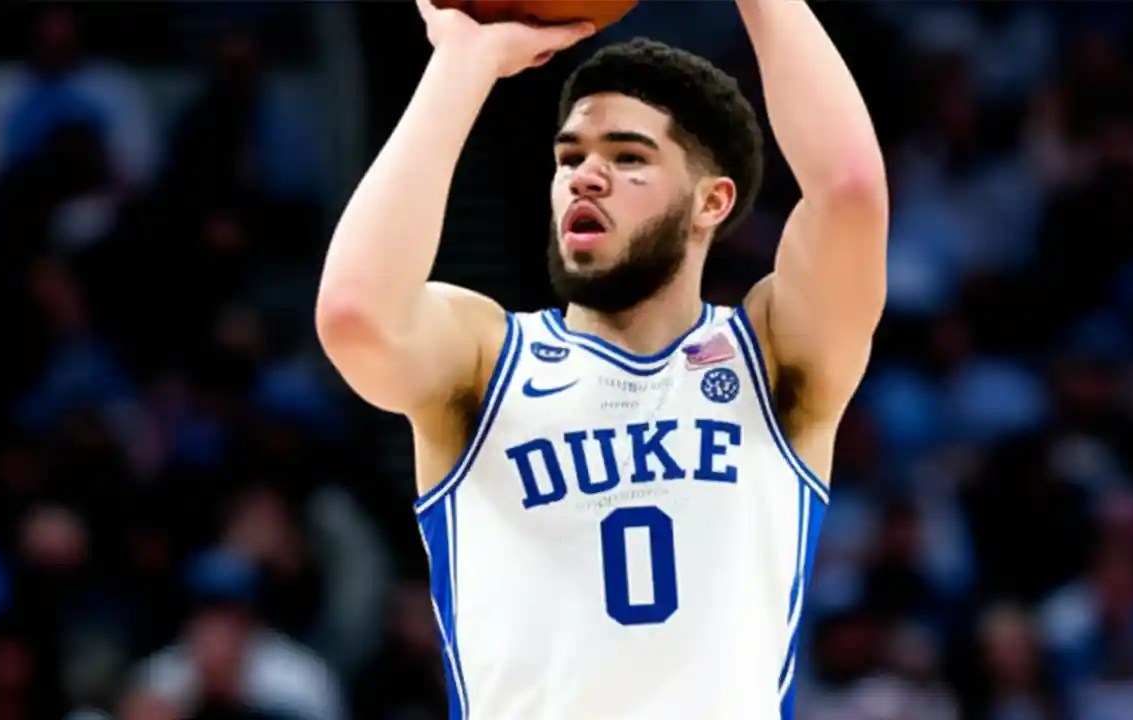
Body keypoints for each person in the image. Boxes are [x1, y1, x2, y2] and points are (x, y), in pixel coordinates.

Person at [315, 0, 887, 716]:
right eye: (570, 157)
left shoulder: (772, 359)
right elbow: (354, 314)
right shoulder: (486, 361)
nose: (585, 176)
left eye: (628, 157)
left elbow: (852, 192)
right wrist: (461, 64)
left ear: (712, 202)